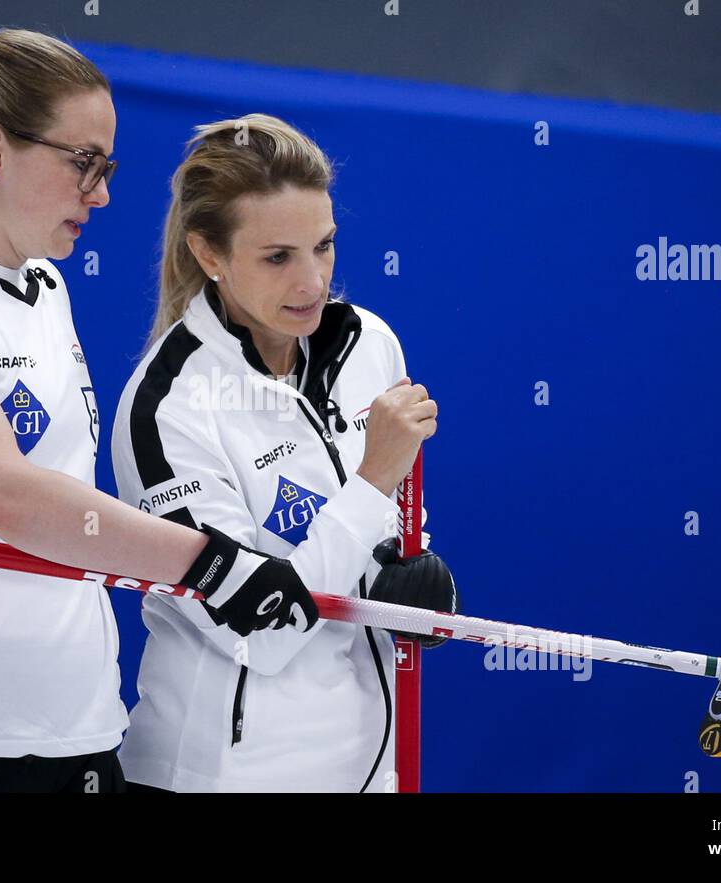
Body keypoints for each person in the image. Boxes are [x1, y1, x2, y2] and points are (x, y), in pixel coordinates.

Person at [0, 32, 319, 793]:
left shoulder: (44, 288)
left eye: (107, 167)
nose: (103, 194)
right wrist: (211, 560)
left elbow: (64, 507)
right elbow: (4, 493)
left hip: (79, 729)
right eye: (83, 163)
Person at [112, 114, 458, 792]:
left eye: (324, 246)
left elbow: (374, 538)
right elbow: (260, 628)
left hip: (365, 769)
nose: (313, 282)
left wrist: (406, 580)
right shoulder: (166, 409)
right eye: (279, 257)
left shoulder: (368, 342)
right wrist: (373, 480)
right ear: (210, 255)